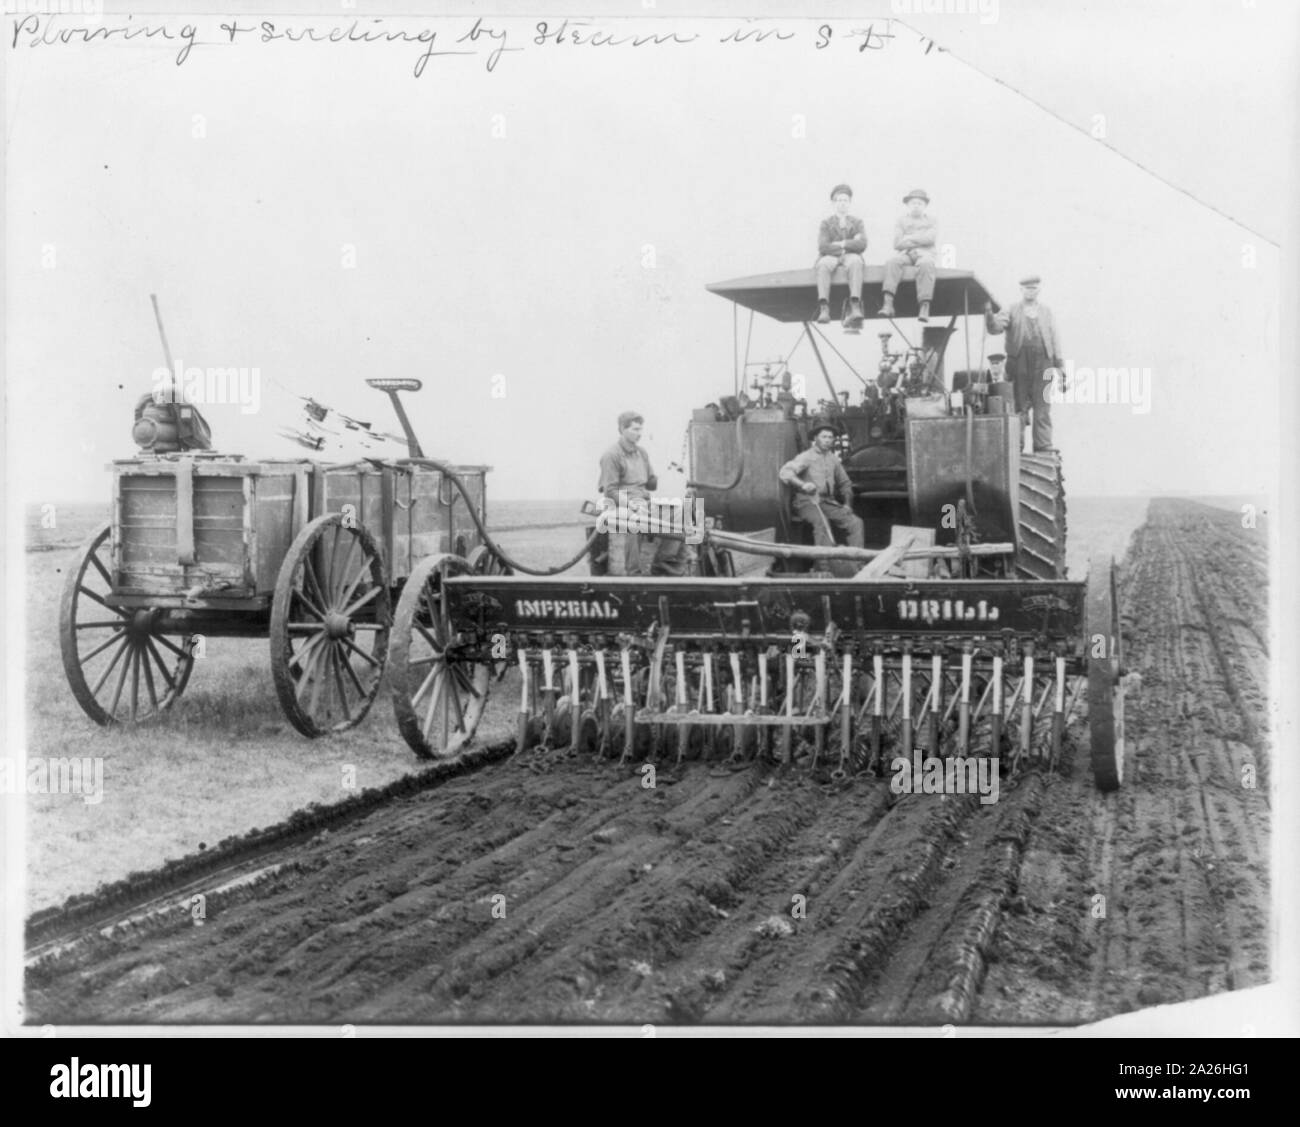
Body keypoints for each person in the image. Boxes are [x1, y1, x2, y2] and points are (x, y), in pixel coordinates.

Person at [597, 411, 687, 576]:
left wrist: (668, 473)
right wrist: (631, 504)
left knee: (679, 511)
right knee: (635, 520)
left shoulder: (642, 453)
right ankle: (634, 572)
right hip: (620, 505)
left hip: (644, 502)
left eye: (640, 430)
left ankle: (662, 565)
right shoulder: (611, 455)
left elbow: (651, 485)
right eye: (635, 429)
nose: (639, 434)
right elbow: (610, 491)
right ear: (622, 429)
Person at [984, 275, 1064, 453]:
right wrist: (989, 315)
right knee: (1019, 405)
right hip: (1019, 362)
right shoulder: (1011, 310)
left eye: (1034, 288)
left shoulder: (1046, 312)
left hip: (1044, 362)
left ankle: (1043, 445)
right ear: (1021, 290)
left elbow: (1055, 338)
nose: (1030, 291)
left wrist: (1060, 365)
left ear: (1039, 290)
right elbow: (995, 327)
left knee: (1043, 403)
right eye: (1027, 288)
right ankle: (1016, 445)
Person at [778, 418, 864, 548]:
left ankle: (856, 562)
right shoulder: (806, 457)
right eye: (824, 437)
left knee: (856, 522)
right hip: (807, 502)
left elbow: (845, 483)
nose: (828, 440)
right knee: (821, 523)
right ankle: (824, 565)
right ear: (815, 439)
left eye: (830, 437)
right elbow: (785, 472)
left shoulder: (833, 459)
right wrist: (803, 485)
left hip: (827, 502)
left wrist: (847, 505)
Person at [880, 189, 937, 323]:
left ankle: (924, 306)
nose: (916, 205)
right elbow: (897, 243)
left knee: (926, 264)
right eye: (913, 203)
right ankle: (888, 303)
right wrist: (919, 238)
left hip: (924, 254)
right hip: (906, 254)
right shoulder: (901, 221)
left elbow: (930, 239)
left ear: (925, 206)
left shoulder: (932, 221)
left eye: (919, 203)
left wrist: (909, 237)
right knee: (892, 262)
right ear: (908, 205)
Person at [814, 184, 867, 328]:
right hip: (831, 256)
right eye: (839, 200)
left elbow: (862, 244)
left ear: (849, 203)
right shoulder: (826, 223)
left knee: (856, 262)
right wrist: (848, 245)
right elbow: (823, 246)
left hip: (850, 256)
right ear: (834, 203)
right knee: (823, 265)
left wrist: (841, 243)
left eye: (845, 200)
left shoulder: (857, 222)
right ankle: (824, 307)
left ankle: (855, 304)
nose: (842, 203)